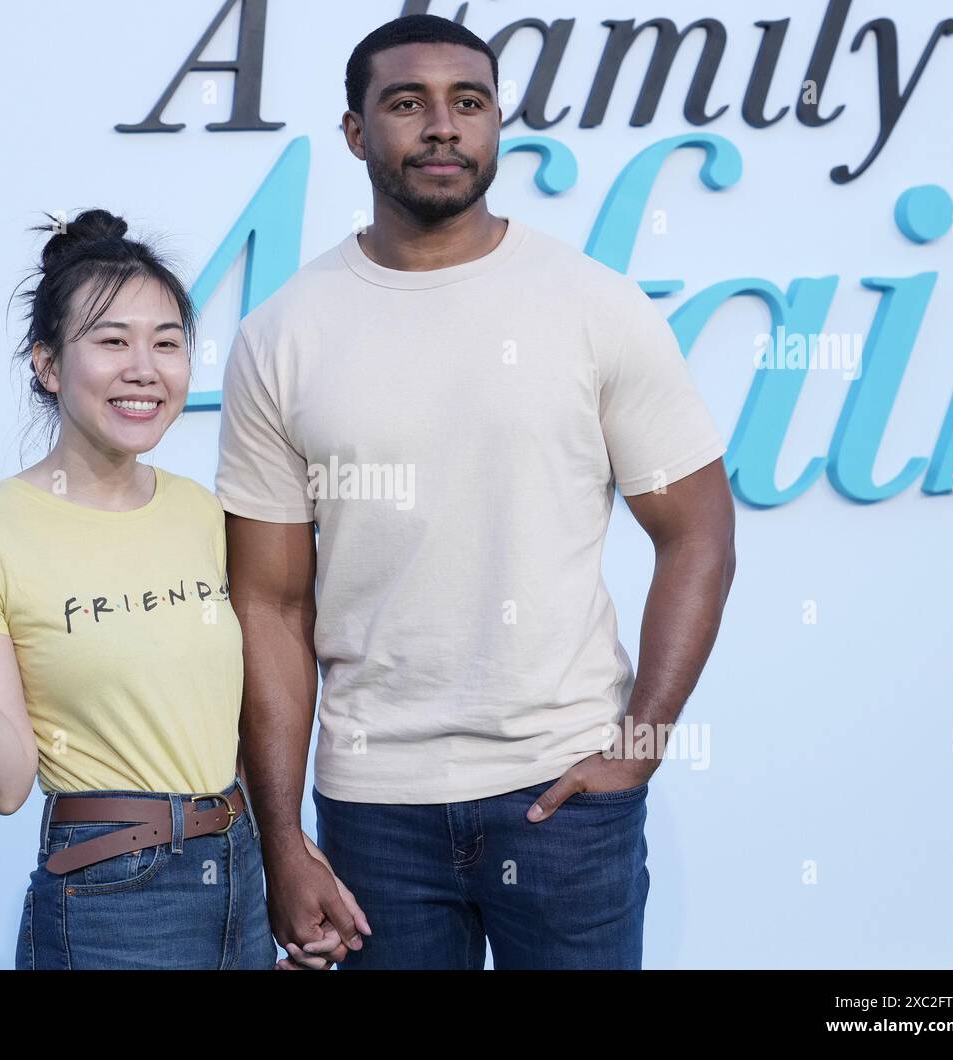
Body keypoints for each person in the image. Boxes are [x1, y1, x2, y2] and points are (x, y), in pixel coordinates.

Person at [215, 15, 736, 970]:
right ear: (353, 133)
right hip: (372, 809)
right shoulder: (283, 334)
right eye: (407, 103)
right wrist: (280, 840)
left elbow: (697, 529)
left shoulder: (593, 305)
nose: (443, 127)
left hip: (565, 795)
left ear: (500, 124)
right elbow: (270, 601)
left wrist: (643, 742)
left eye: (470, 102)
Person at [0, 208, 363, 970]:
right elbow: (4, 783)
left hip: (235, 868)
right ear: (47, 364)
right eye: (111, 342)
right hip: (110, 892)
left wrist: (285, 858)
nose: (145, 368)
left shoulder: (206, 514)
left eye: (167, 343)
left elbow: (236, 729)